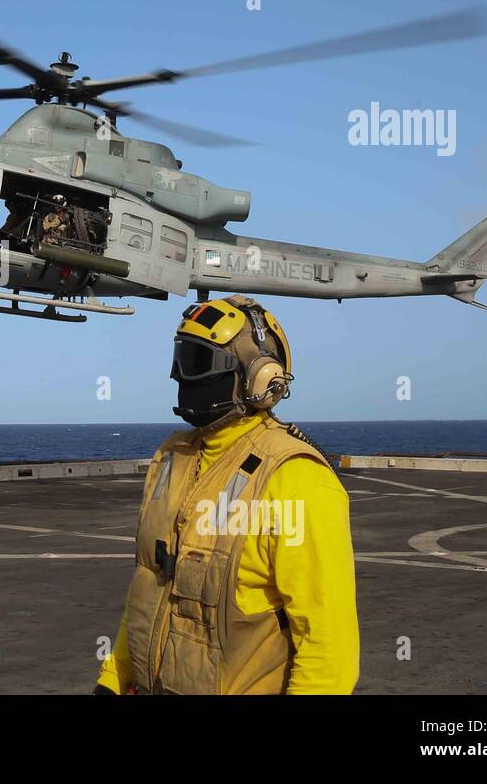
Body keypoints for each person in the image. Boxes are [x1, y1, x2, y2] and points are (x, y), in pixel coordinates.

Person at [95, 295, 359, 695]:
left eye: (197, 363)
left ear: (257, 378)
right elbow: (146, 587)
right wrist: (113, 680)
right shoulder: (171, 458)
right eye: (179, 359)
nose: (180, 376)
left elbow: (327, 646)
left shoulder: (296, 478)